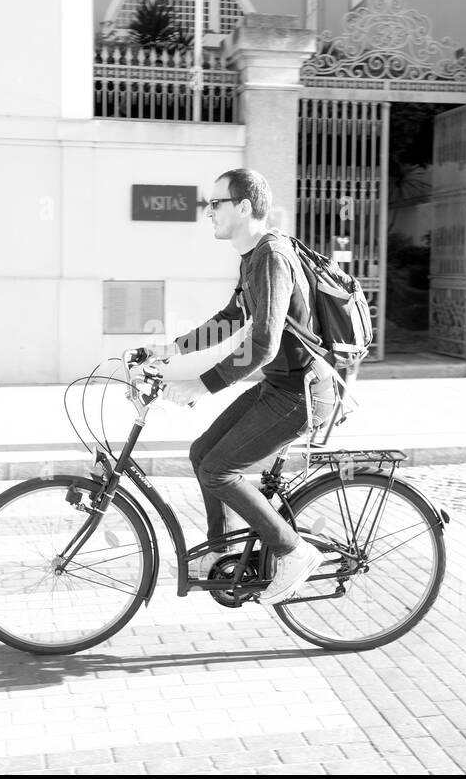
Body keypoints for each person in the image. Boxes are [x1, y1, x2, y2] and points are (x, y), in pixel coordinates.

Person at [142, 168, 336, 604]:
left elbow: (264, 342)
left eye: (216, 204)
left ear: (244, 207)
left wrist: (202, 385)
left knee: (218, 470)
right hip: (281, 387)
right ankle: (221, 550)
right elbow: (232, 318)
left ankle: (294, 551)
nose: (208, 212)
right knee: (202, 454)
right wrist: (172, 349)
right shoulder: (253, 257)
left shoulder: (272, 256)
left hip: (301, 395)